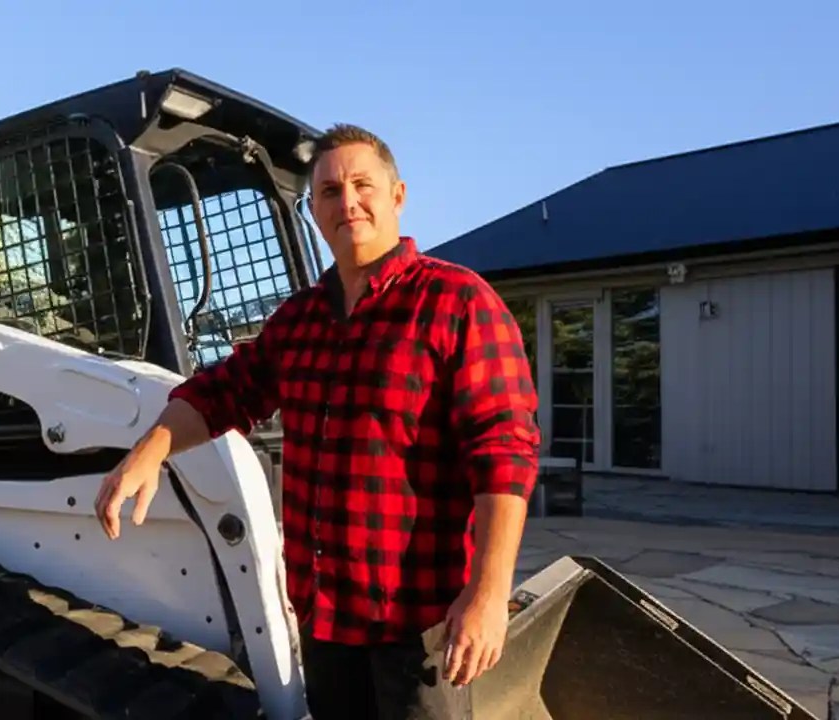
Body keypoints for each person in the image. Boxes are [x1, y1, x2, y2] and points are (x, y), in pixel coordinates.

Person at [95, 123, 541, 719]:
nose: (347, 202)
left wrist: (487, 593)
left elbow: (504, 453)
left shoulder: (457, 303)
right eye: (329, 192)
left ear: (397, 196)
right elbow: (223, 392)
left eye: (362, 185)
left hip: (420, 624)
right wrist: (149, 451)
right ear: (313, 210)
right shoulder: (299, 321)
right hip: (326, 621)